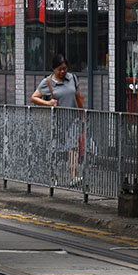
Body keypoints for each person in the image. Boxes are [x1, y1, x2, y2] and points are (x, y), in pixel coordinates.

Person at [29, 53, 86, 182]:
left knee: (73, 147)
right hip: (56, 121)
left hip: (73, 119)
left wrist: (82, 113)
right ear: (53, 69)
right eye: (59, 69)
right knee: (54, 148)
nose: (62, 71)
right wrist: (48, 103)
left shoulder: (72, 78)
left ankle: (74, 177)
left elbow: (78, 97)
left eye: (64, 68)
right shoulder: (47, 82)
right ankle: (53, 176)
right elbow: (34, 97)